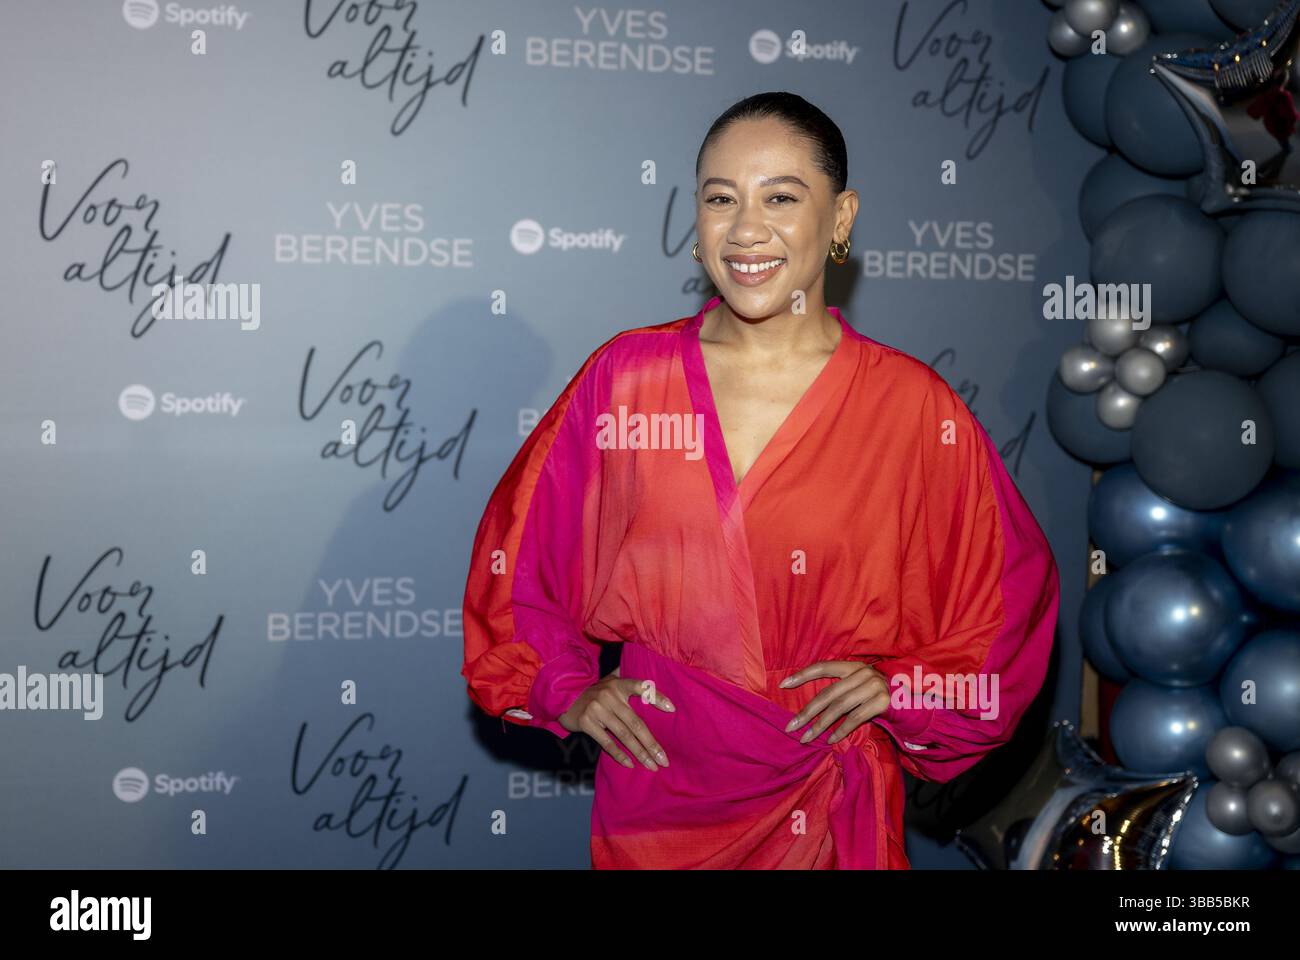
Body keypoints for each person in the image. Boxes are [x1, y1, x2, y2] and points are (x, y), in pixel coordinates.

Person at [462, 91, 1060, 868]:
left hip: (828, 800)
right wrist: (564, 688)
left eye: (781, 197)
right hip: (659, 800)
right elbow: (520, 560)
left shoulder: (910, 406)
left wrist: (908, 689)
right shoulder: (626, 380)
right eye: (720, 199)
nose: (746, 229)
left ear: (841, 219)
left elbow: (1005, 595)